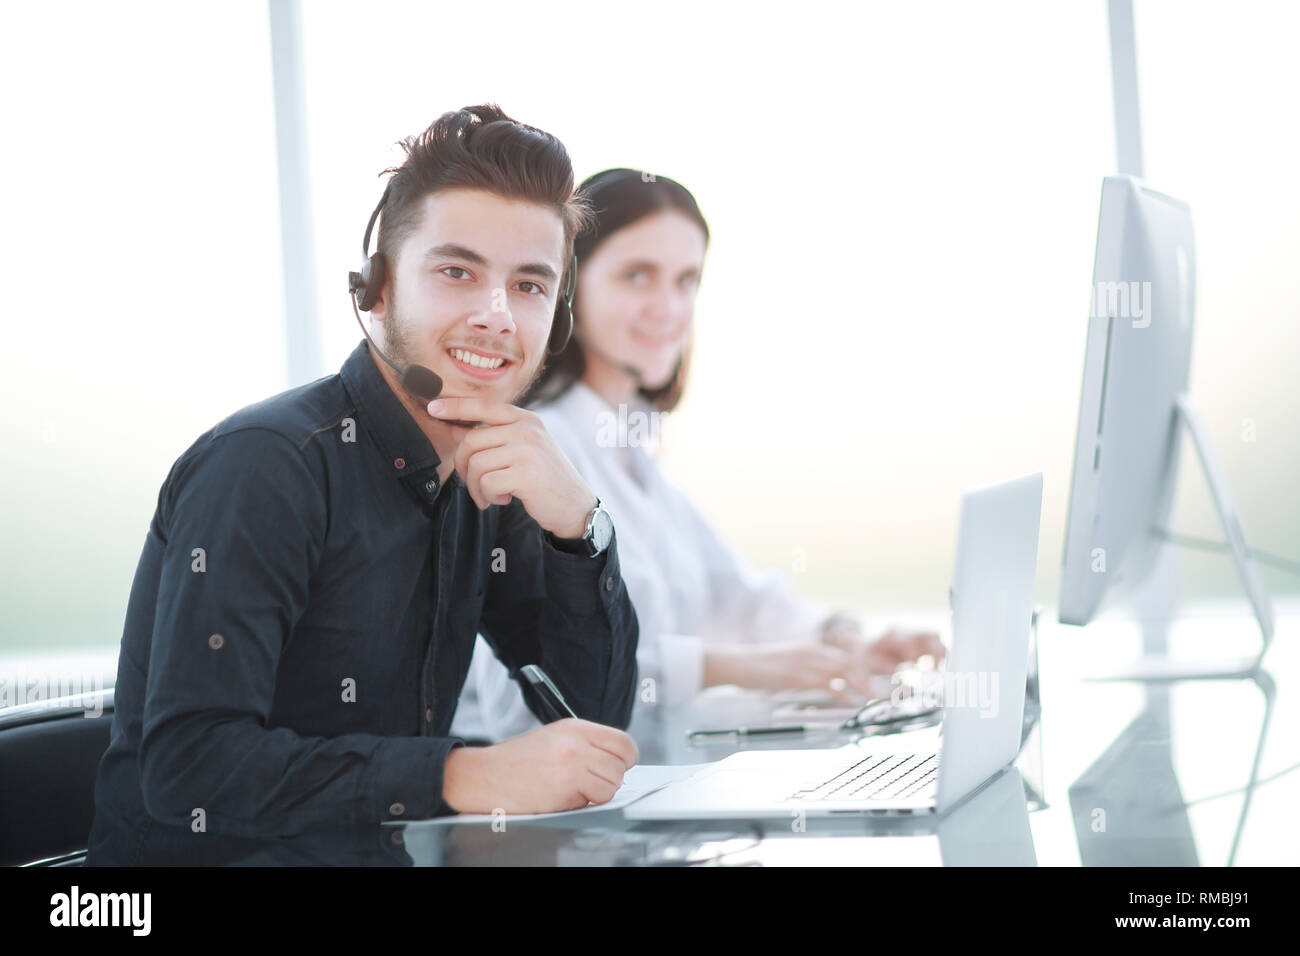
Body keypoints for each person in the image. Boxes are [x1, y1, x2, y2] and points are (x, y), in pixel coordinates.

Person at [86, 107, 640, 865]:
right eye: (457, 271)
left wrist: (579, 528)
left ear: (559, 319)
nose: (495, 316)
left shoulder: (491, 470)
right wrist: (461, 773)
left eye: (530, 286)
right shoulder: (268, 466)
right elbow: (190, 769)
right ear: (377, 288)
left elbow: (595, 726)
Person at [451, 169, 944, 755]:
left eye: (687, 280)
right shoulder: (534, 453)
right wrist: (737, 666)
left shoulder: (632, 450)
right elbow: (529, 696)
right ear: (567, 287)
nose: (669, 307)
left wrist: (849, 638)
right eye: (638, 276)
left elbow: (738, 598)